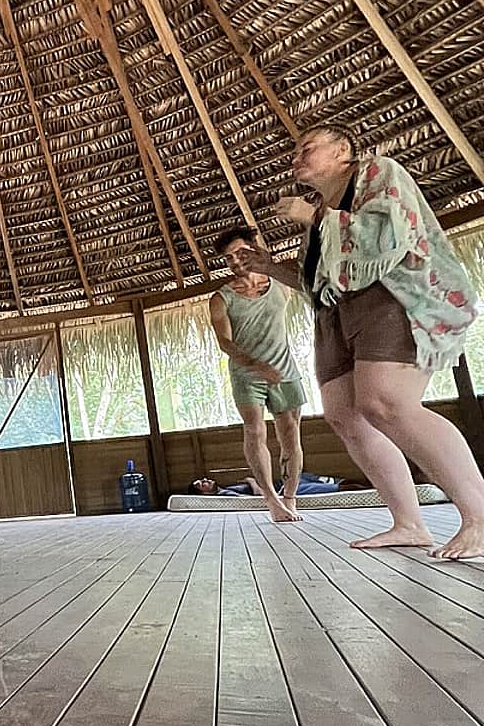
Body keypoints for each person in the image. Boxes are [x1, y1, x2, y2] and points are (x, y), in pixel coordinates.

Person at [232, 123, 484, 559]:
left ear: (343, 149)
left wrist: (313, 217)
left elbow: (390, 236)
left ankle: (480, 516)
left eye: (307, 147)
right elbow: (317, 281)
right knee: (345, 414)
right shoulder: (320, 215)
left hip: (392, 294)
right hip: (335, 314)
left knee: (387, 401)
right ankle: (408, 523)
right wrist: (269, 267)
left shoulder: (377, 173)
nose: (296, 159)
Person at [209, 225, 306, 522]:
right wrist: (254, 365)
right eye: (229, 258)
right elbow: (225, 342)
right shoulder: (221, 298)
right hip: (247, 374)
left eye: (240, 253)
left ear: (254, 247)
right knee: (255, 429)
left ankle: (290, 497)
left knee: (290, 433)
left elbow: (313, 284)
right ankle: (271, 500)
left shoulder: (281, 284)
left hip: (285, 370)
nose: (236, 262)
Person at [189, 472, 355, 497]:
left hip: (277, 485)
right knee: (299, 486)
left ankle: (344, 482)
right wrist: (252, 481)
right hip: (278, 493)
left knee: (301, 474)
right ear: (204, 493)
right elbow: (255, 499)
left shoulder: (224, 488)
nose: (205, 480)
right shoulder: (224, 496)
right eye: (201, 484)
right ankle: (350, 487)